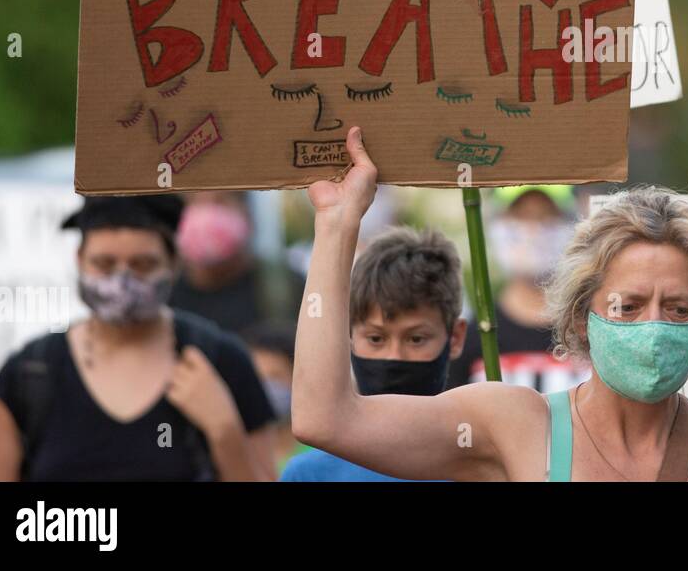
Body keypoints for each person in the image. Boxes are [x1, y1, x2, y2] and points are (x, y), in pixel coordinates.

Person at [293, 127, 688, 481]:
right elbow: (324, 419)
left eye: (679, 309)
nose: (654, 326)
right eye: (628, 306)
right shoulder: (514, 428)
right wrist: (337, 224)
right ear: (582, 316)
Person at [0, 195, 277, 481]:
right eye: (104, 264)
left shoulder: (223, 363)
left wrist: (224, 430)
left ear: (173, 263)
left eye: (143, 265)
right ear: (79, 260)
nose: (122, 281)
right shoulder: (28, 375)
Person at [282, 226, 467, 481]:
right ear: (348, 335)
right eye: (376, 338)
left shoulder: (482, 464)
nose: (394, 356)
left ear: (455, 337)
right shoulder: (309, 474)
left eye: (416, 339)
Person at [447, 185, 588, 393]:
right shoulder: (472, 336)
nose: (533, 230)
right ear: (495, 227)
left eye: (546, 217)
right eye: (519, 216)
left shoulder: (591, 331)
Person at [169, 191, 303, 336]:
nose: (205, 215)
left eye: (221, 201)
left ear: (247, 212)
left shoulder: (286, 287)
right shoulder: (163, 290)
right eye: (193, 201)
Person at [243, 320, 303, 474]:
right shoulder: (237, 454)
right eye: (257, 377)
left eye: (275, 376)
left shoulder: (322, 452)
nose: (266, 387)